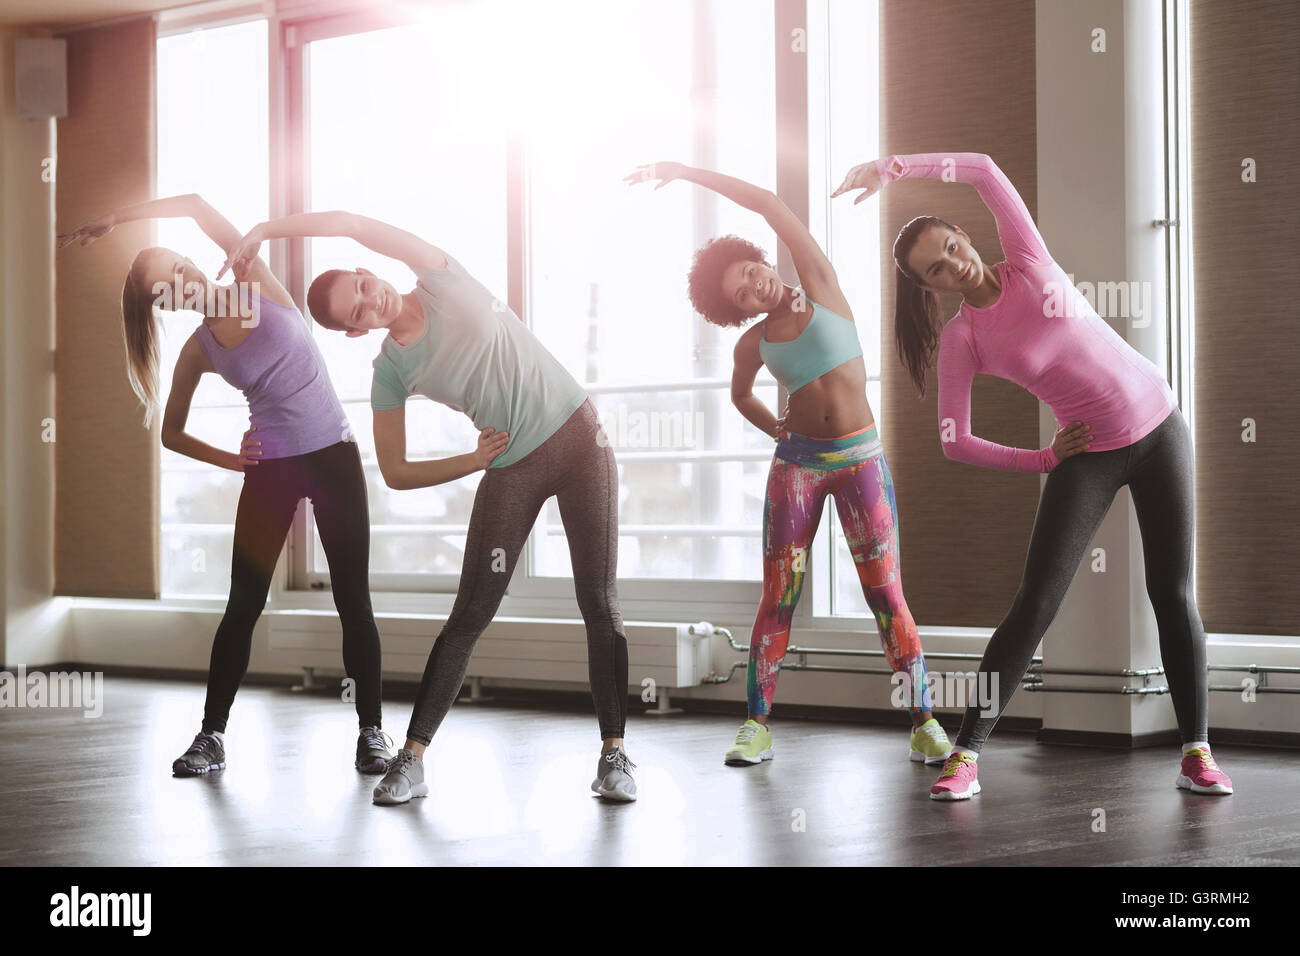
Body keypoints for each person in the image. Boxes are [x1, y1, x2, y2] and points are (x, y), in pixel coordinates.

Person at [834, 152, 1232, 800]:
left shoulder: (1027, 260)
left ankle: (1196, 753)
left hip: (1161, 428)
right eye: (936, 267)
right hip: (1090, 454)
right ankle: (965, 755)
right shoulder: (967, 339)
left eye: (952, 245)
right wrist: (1043, 460)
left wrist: (892, 169)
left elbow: (987, 170)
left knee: (1172, 591)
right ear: (929, 286)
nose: (954, 262)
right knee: (1036, 604)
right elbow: (954, 441)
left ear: (963, 237)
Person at [220, 210, 636, 804]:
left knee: (597, 597)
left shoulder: (440, 276)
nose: (372, 301)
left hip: (578, 438)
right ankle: (410, 762)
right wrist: (470, 462)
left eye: (363, 287)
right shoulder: (390, 371)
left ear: (369, 272)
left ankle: (615, 755)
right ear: (355, 332)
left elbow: (350, 223)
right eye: (356, 312)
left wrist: (266, 232)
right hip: (509, 463)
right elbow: (394, 471)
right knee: (471, 611)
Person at [629, 162, 950, 768]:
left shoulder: (823, 284)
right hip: (797, 468)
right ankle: (756, 726)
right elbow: (740, 394)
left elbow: (769, 201)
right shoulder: (753, 343)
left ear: (765, 261)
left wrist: (685, 172)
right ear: (737, 310)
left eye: (751, 271)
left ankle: (924, 720)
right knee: (778, 598)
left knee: (887, 595)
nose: (754, 286)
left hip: (862, 461)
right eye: (741, 294)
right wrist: (774, 426)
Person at [58, 194, 391, 777]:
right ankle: (211, 737)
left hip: (334, 457)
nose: (183, 279)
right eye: (169, 285)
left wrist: (117, 216)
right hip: (272, 470)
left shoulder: (250, 274)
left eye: (180, 266)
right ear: (166, 302)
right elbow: (171, 433)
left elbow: (192, 204)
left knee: (352, 602)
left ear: (192, 264)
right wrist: (234, 463)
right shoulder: (200, 349)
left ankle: (371, 734)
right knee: (243, 605)